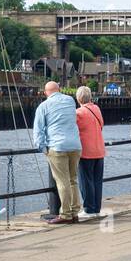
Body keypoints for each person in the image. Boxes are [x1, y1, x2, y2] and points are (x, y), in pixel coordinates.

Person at [31, 81, 82, 226]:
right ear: (59, 89)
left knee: (62, 181)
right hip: (75, 145)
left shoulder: (44, 106)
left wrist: (43, 149)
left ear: (46, 92)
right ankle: (74, 213)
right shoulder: (70, 101)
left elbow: (38, 130)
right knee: (73, 179)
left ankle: (65, 214)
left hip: (57, 146)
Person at [74, 86, 106, 220]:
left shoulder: (78, 113)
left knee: (86, 181)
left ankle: (88, 209)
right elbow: (102, 124)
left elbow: (74, 129)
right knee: (97, 180)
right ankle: (96, 208)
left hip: (86, 151)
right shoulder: (96, 109)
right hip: (99, 150)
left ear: (78, 98)